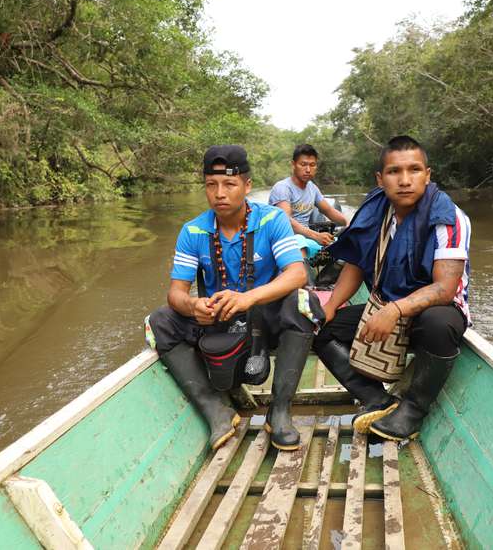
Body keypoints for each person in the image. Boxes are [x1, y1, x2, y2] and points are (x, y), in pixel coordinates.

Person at [148, 145, 323, 451]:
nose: (220, 193)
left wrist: (248, 299)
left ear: (247, 186)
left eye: (229, 184)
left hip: (264, 319)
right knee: (159, 322)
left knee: (302, 304)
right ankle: (216, 410)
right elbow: (176, 292)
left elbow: (296, 274)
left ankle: (279, 411)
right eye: (211, 185)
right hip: (217, 319)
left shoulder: (271, 220)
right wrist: (193, 305)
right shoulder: (193, 231)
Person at [314, 135, 471, 441]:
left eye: (414, 170)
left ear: (428, 174)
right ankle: (378, 400)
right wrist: (330, 307)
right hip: (386, 305)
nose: (405, 180)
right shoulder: (375, 211)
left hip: (430, 313)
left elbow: (445, 288)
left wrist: (395, 309)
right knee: (322, 328)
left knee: (439, 322)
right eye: (394, 172)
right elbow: (357, 264)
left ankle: (413, 409)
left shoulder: (448, 217)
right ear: (380, 179)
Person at [269, 144, 348, 252]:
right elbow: (286, 221)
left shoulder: (312, 188)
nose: (308, 169)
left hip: (307, 239)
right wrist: (316, 236)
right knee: (300, 241)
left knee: (345, 246)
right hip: (284, 239)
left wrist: (349, 223)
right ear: (293, 165)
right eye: (303, 164)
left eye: (312, 165)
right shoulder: (282, 188)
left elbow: (329, 210)